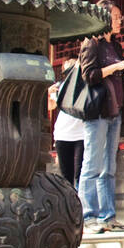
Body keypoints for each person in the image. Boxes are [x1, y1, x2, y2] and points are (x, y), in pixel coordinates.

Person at [77, 0, 124, 234]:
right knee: (91, 165)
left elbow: (123, 78)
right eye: (115, 17)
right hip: (97, 112)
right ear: (103, 18)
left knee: (109, 167)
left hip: (116, 110)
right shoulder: (91, 44)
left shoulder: (116, 45)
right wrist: (115, 67)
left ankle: (108, 216)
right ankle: (88, 216)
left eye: (119, 17)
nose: (119, 21)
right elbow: (89, 76)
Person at [50, 59, 85, 189]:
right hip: (63, 135)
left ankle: (80, 205)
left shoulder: (85, 84)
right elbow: (51, 106)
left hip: (81, 134)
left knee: (80, 175)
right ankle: (70, 206)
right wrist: (49, 93)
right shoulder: (61, 86)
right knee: (66, 178)